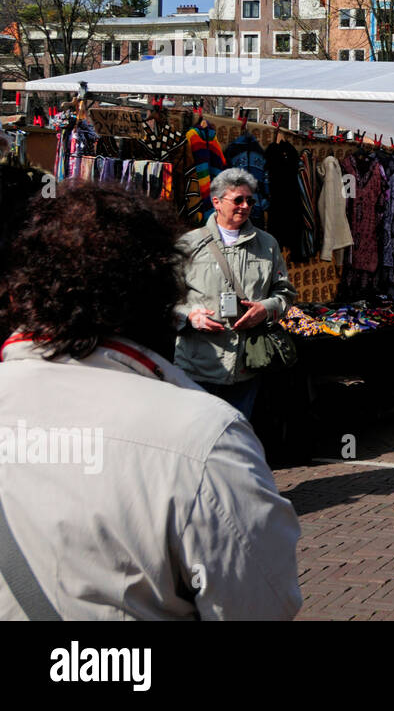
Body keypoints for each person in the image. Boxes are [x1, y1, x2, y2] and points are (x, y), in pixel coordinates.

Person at [0, 185, 302, 620]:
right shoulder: (202, 437)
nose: (245, 206)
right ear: (159, 291)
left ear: (19, 291)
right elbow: (263, 604)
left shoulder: (200, 435)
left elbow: (283, 292)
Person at [175, 167, 296, 419]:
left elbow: (285, 293)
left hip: (246, 365)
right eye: (238, 199)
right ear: (216, 202)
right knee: (197, 434)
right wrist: (189, 317)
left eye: (250, 200)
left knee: (235, 435)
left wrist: (266, 308)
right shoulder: (189, 244)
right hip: (199, 363)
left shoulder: (267, 244)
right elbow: (164, 297)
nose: (245, 206)